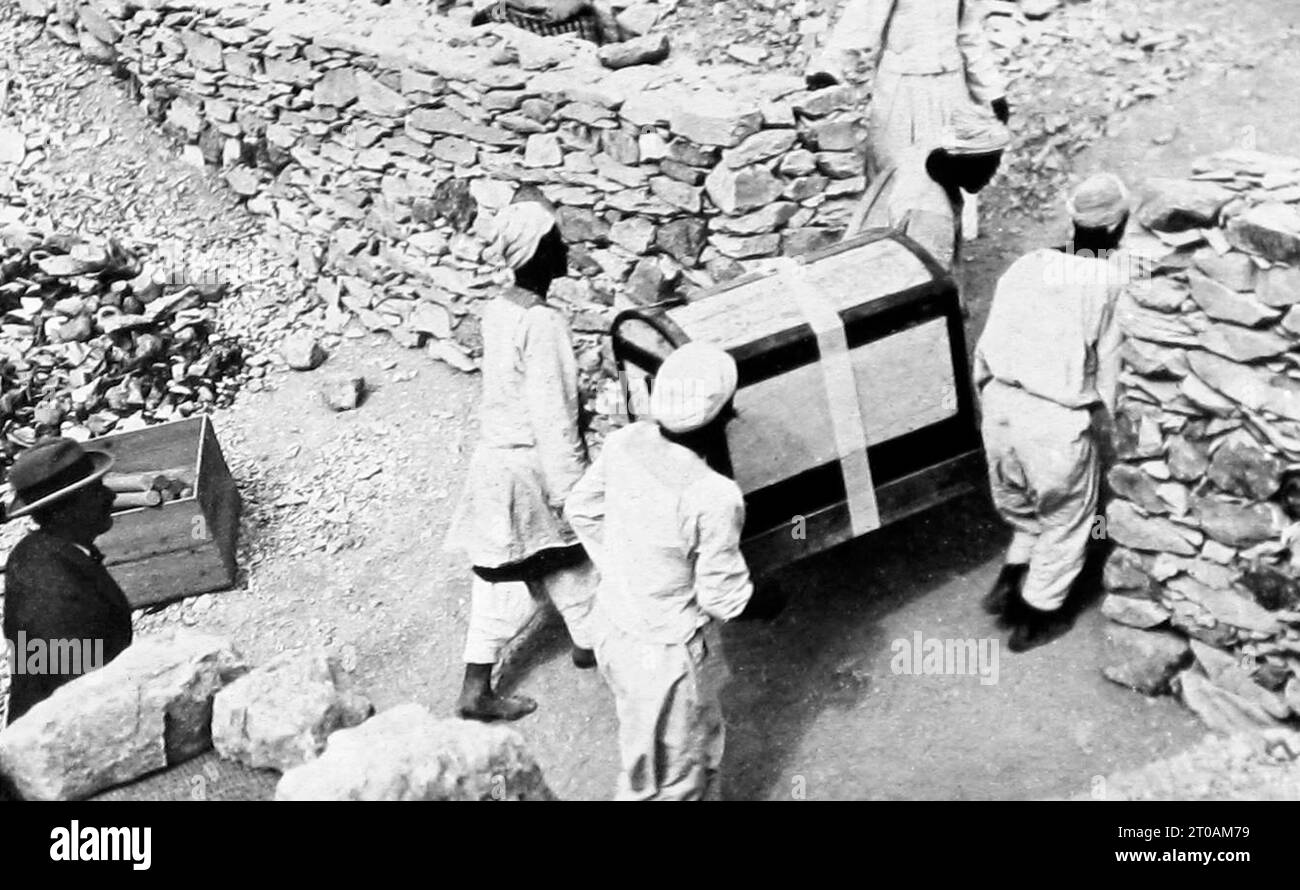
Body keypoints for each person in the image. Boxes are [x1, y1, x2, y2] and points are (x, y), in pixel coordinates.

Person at [565, 342, 754, 801]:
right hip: (667, 654)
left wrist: (629, 570)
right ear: (722, 413)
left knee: (650, 757)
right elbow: (722, 598)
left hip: (612, 625)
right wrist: (765, 599)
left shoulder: (626, 442)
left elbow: (581, 509)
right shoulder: (714, 494)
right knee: (677, 778)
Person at [444, 196, 599, 722]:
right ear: (536, 251)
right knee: (516, 581)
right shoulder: (543, 323)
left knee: (567, 565)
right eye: (557, 241)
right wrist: (572, 489)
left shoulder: (500, 308)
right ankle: (475, 691)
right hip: (528, 470)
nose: (565, 249)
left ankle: (587, 642)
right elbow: (553, 414)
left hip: (496, 462)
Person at [973, 173, 1132, 653]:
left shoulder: (1027, 265)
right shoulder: (1109, 281)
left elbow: (987, 344)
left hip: (1000, 406)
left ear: (1072, 218)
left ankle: (1010, 579)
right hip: (1053, 420)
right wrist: (1112, 421)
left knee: (1024, 505)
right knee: (1068, 518)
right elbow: (1110, 371)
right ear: (1119, 226)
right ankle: (1037, 614)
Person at [2, 438, 132, 725]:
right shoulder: (52, 594)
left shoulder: (40, 551)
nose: (110, 496)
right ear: (64, 510)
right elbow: (81, 696)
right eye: (96, 491)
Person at [806, 0, 1009, 176]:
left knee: (951, 179)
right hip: (902, 93)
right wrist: (831, 68)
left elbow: (969, 35)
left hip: (951, 92)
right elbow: (862, 21)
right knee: (897, 174)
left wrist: (991, 91)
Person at [847, 103, 1009, 273]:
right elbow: (925, 284)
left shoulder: (922, 155)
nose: (991, 177)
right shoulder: (932, 214)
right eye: (988, 167)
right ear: (968, 164)